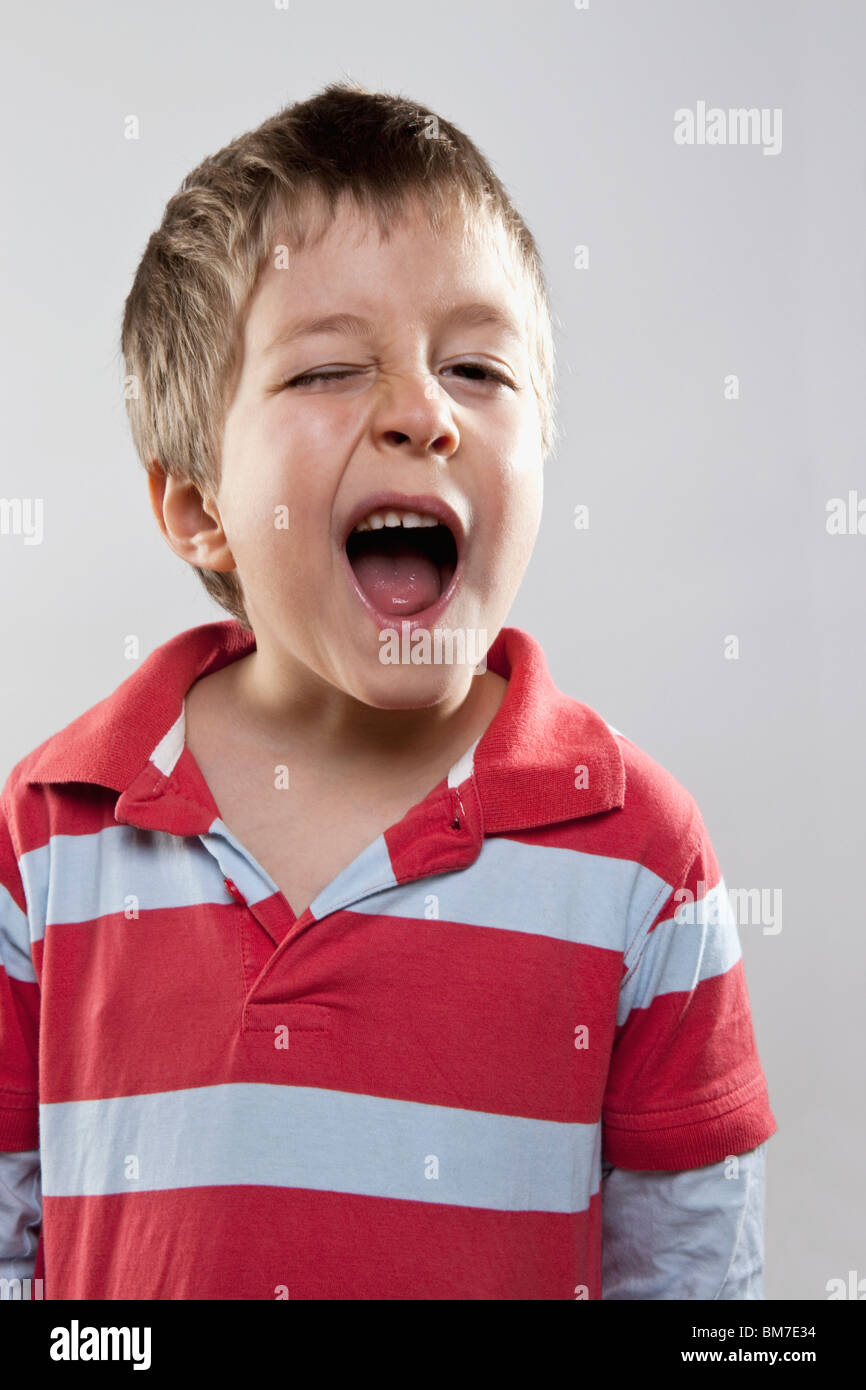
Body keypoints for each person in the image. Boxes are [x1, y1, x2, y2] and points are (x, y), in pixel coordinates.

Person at [0, 81, 775, 1300]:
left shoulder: (636, 854)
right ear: (199, 508)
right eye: (327, 372)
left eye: (475, 367)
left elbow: (694, 1291)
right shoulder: (53, 825)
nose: (422, 414)